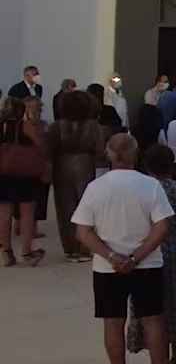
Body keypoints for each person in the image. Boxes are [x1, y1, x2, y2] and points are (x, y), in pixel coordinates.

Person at [71, 134, 176, 364]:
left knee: (113, 322)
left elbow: (83, 232)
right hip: (147, 264)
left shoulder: (95, 187)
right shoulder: (150, 185)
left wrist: (111, 256)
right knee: (153, 320)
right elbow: (162, 227)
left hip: (107, 267)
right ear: (135, 153)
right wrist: (136, 257)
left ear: (108, 153)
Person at [127, 143, 176, 364]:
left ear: (146, 166)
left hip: (152, 251)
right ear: (172, 165)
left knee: (154, 307)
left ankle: (157, 360)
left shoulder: (143, 191)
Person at [49, 91, 106, 263]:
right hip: (85, 165)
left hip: (61, 166)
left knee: (65, 207)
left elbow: (49, 149)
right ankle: (85, 248)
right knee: (86, 207)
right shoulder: (94, 126)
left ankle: (70, 249)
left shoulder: (56, 126)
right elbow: (100, 151)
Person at [0, 97, 48, 267]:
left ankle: (6, 252)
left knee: (4, 214)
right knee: (27, 213)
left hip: (3, 173)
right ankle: (27, 252)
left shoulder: (1, 126)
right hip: (25, 174)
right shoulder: (25, 126)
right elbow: (40, 146)